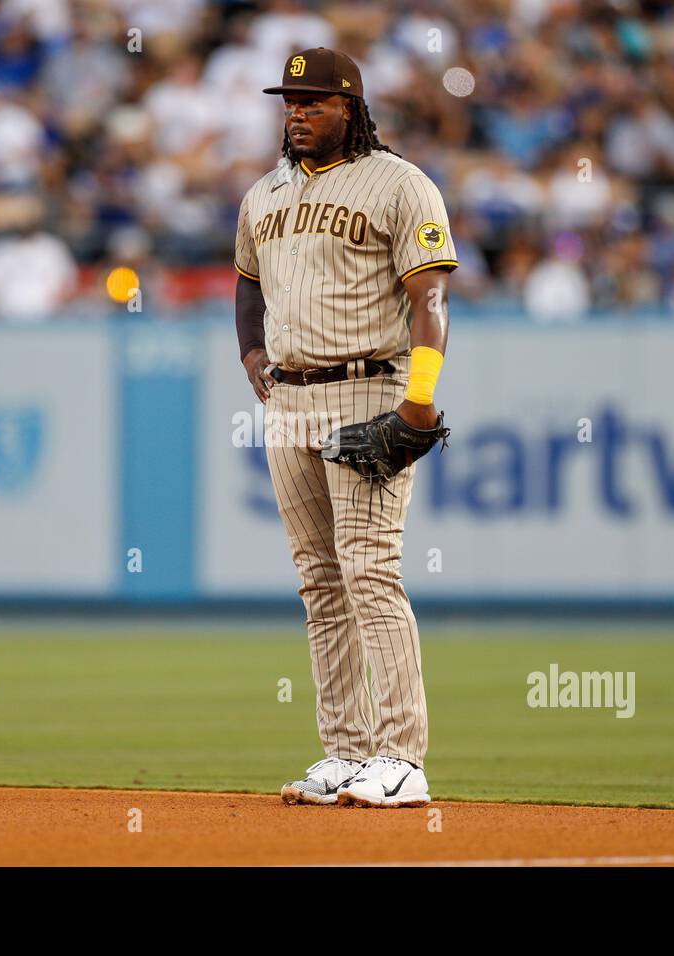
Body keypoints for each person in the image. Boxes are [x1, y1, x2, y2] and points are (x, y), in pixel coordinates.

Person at [234, 48, 457, 808]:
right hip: (288, 401)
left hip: (369, 390)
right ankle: (346, 751)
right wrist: (251, 353)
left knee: (370, 571)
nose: (297, 113)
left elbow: (431, 303)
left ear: (351, 109)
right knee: (319, 583)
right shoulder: (264, 193)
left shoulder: (401, 184)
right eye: (289, 102)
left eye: (314, 102)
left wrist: (418, 405)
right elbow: (247, 278)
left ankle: (401, 756)